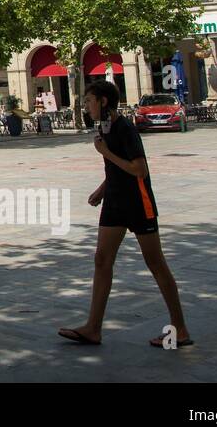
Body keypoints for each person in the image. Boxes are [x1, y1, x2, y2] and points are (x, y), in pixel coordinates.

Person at [58, 81, 193, 349]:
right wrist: (102, 189)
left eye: (89, 101)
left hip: (138, 203)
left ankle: (180, 328)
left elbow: (139, 170)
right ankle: (93, 328)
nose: (86, 106)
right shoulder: (105, 127)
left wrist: (105, 152)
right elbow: (117, 168)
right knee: (101, 260)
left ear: (103, 101)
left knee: (155, 262)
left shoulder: (125, 129)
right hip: (115, 204)